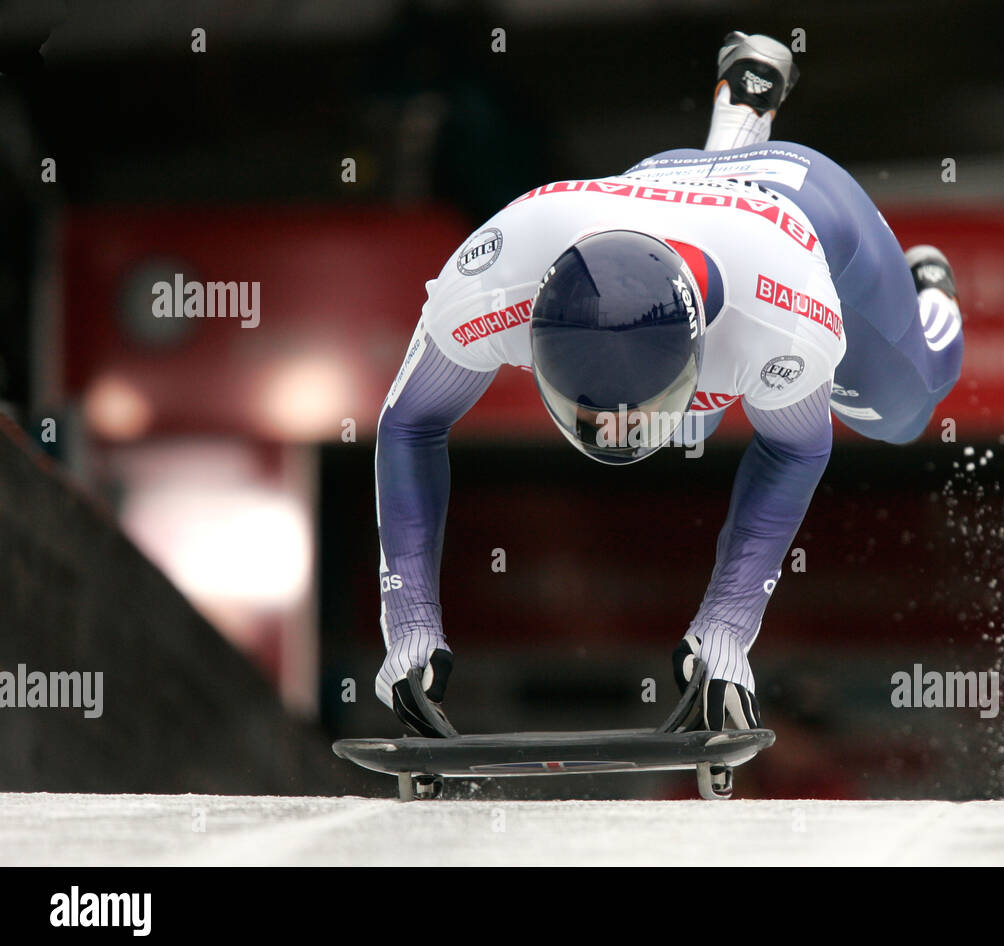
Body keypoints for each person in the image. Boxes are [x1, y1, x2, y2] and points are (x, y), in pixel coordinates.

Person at [372, 32, 965, 764]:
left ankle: (930, 284)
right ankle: (739, 113)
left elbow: (797, 445)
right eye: (592, 415)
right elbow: (407, 422)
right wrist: (409, 623)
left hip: (806, 211)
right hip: (664, 189)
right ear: (530, 333)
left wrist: (727, 628)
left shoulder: (780, 320)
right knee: (701, 414)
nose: (616, 436)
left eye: (634, 415)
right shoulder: (495, 274)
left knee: (899, 412)